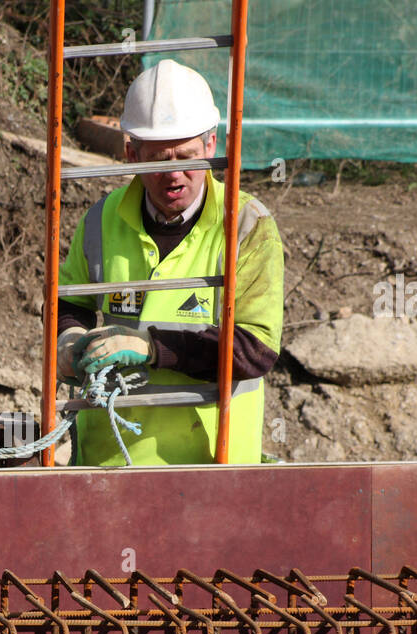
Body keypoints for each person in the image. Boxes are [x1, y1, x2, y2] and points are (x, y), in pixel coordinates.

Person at [56, 59, 284, 465]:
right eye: (160, 159)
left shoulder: (248, 226)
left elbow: (255, 350)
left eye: (188, 155)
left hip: (213, 466)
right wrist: (69, 340)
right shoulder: (100, 222)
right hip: (111, 459)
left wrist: (151, 347)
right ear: (132, 153)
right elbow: (69, 301)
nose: (175, 174)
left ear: (211, 145)